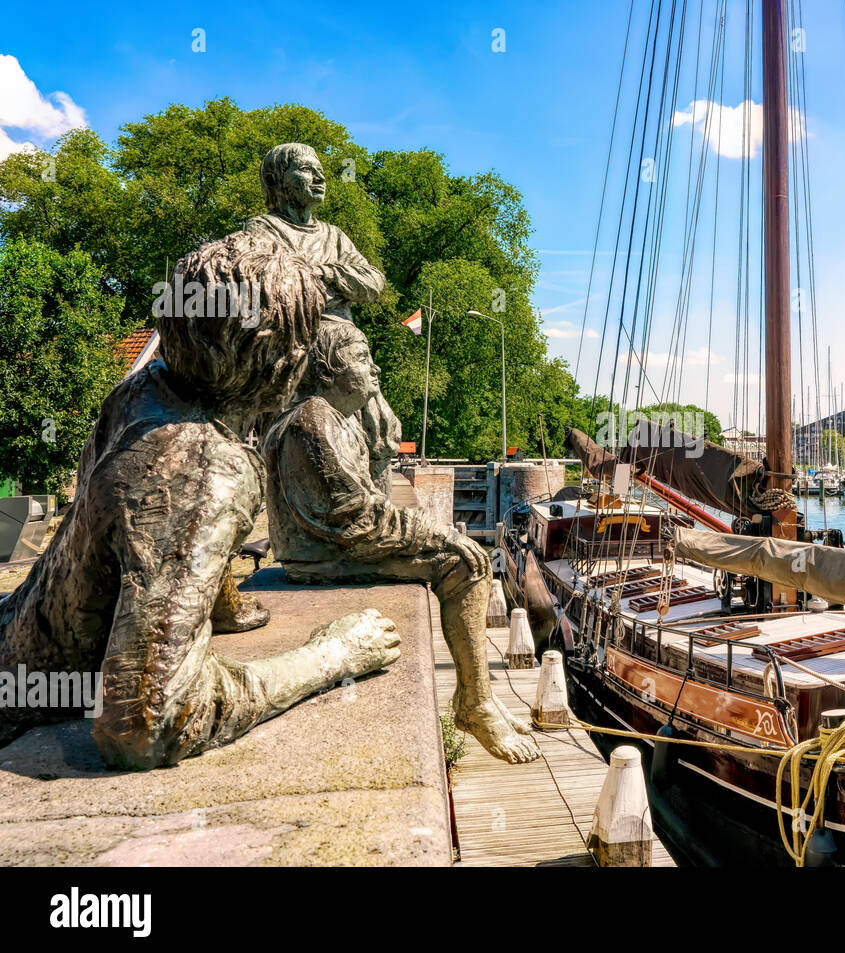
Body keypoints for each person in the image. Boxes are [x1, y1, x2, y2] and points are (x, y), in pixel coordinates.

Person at [0, 232, 400, 770]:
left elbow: (141, 544)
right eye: (306, 336)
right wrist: (334, 656)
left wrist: (224, 604)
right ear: (275, 353)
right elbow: (144, 723)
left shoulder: (149, 388)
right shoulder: (207, 470)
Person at [261, 321, 540, 764]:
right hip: (321, 557)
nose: (374, 369)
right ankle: (475, 703)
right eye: (360, 359)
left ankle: (479, 696)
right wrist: (436, 532)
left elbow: (366, 498)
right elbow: (357, 517)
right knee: (464, 564)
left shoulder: (336, 418)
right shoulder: (312, 425)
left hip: (327, 546)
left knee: (463, 557)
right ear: (328, 369)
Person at [246, 142, 400, 487]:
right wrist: (339, 283)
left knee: (381, 431)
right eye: (305, 169)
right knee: (304, 442)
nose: (319, 177)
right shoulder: (262, 229)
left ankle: (370, 514)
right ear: (276, 180)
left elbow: (374, 283)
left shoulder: (334, 235)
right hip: (297, 351)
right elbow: (277, 285)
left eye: (321, 170)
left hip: (346, 351)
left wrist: (326, 274)